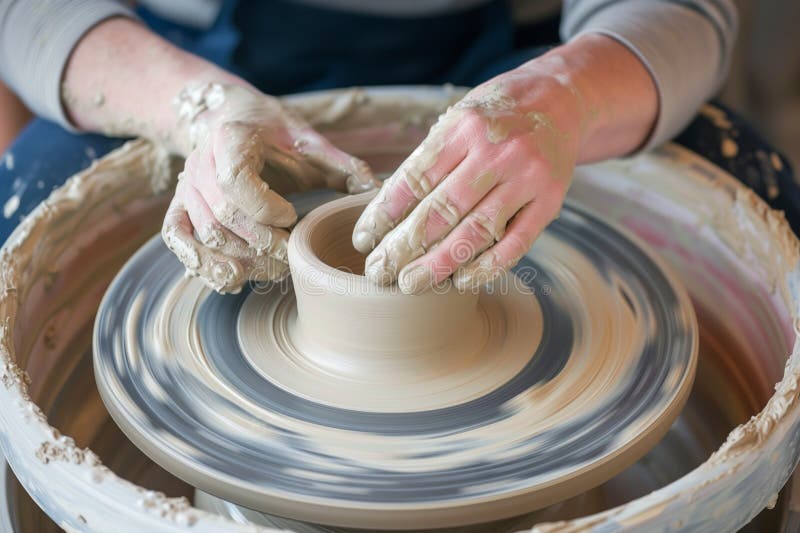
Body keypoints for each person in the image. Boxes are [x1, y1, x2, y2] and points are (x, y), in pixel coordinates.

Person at [0, 1, 737, 294]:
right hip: (177, 60)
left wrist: (567, 97)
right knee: (30, 211)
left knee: (739, 183)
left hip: (510, 59)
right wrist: (192, 108)